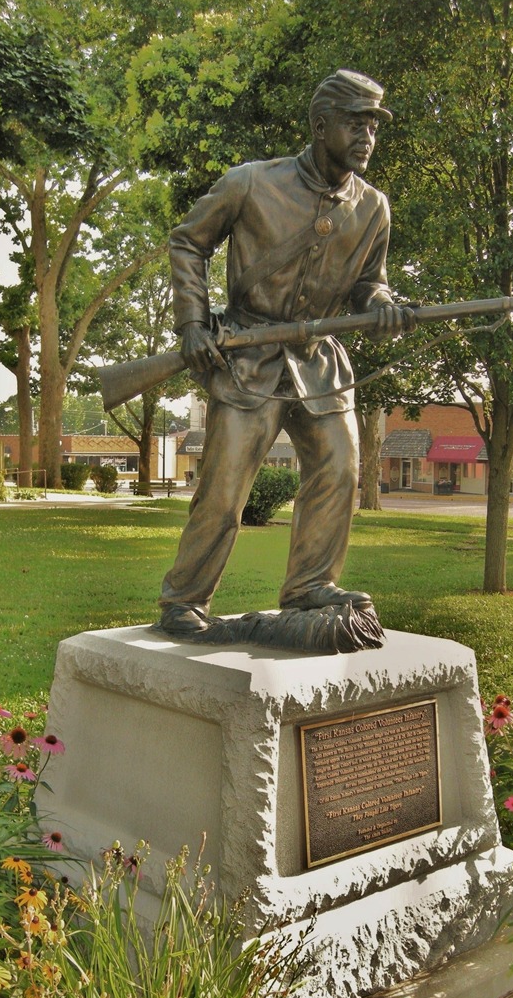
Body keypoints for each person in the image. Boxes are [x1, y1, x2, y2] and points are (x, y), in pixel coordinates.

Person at [159, 69, 415, 634]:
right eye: (356, 123)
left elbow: (370, 282)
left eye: (373, 126)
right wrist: (193, 323)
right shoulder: (250, 182)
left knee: (340, 467)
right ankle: (183, 599)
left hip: (320, 363)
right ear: (320, 126)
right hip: (249, 357)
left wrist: (383, 303)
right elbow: (187, 242)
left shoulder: (373, 207)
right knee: (225, 486)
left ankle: (309, 586)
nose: (367, 136)